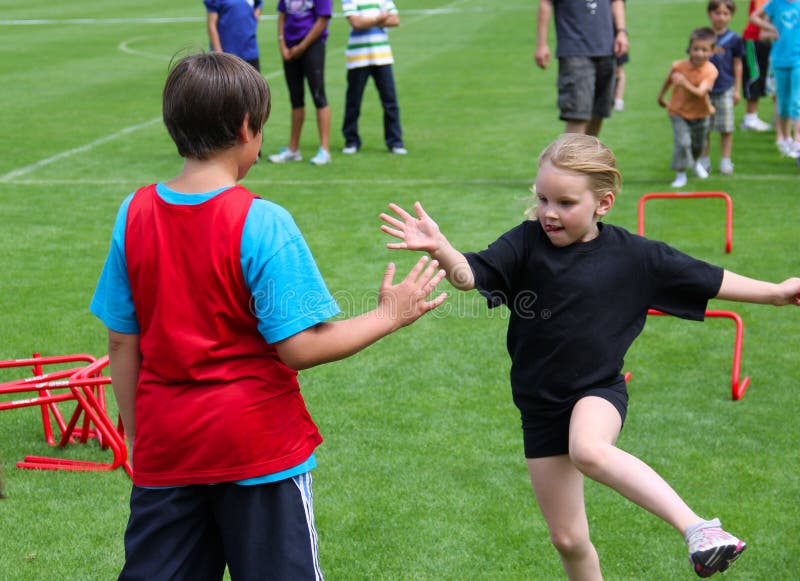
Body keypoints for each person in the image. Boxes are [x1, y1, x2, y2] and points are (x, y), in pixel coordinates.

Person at [90, 51, 447, 579]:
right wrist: (388, 315)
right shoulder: (261, 221)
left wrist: (141, 439)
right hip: (259, 452)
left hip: (169, 449)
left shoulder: (133, 212)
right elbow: (300, 347)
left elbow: (123, 343)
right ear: (245, 129)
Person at [380, 133, 800, 580]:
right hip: (539, 406)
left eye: (565, 202)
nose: (549, 213)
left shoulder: (636, 256)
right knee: (568, 540)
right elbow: (470, 276)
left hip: (597, 391)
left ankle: (699, 529)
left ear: (603, 203)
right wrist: (442, 248)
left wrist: (776, 293)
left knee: (589, 449)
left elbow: (707, 278)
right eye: (542, 199)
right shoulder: (525, 243)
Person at [534, 0, 629, 136]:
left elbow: (617, 1)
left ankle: (587, 157)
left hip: (607, 49)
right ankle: (569, 157)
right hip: (575, 51)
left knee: (598, 114)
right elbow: (545, 3)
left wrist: (621, 31)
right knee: (578, 116)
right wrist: (541, 44)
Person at [268, 0, 333, 165]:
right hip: (290, 47)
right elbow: (282, 15)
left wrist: (302, 47)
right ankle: (293, 149)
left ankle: (324, 149)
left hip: (312, 45)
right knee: (296, 99)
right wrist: (282, 45)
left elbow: (323, 19)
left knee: (319, 96)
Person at [341, 0, 407, 155]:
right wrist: (380, 18)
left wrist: (367, 21)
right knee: (353, 102)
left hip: (382, 56)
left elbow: (395, 20)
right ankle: (351, 140)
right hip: (358, 56)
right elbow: (356, 23)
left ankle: (395, 141)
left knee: (390, 101)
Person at [657, 27, 719, 188]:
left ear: (712, 52)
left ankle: (696, 162)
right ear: (689, 49)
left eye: (704, 50)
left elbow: (700, 93)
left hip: (701, 112)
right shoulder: (679, 66)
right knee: (683, 142)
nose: (699, 53)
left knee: (698, 144)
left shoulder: (711, 71)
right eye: (696, 49)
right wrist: (661, 97)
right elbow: (669, 80)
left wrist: (684, 83)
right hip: (678, 111)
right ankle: (681, 173)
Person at [699, 0, 744, 176]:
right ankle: (704, 159)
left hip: (725, 87)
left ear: (731, 16)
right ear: (710, 14)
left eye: (726, 14)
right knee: (704, 127)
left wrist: (737, 89)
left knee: (726, 126)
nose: (721, 17)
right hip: (704, 89)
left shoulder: (734, 39)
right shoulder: (702, 36)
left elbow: (738, 64)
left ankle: (725, 160)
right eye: (717, 13)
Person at [751, 0, 800, 158]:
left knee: (796, 101)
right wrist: (771, 28)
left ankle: (797, 140)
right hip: (779, 59)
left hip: (797, 59)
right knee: (783, 101)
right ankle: (785, 138)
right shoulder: (775, 4)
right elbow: (754, 17)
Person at [740, 0, 775, 131]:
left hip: (768, 39)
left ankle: (779, 116)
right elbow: (761, 15)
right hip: (754, 39)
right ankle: (750, 118)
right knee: (754, 76)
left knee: (771, 77)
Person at [205, 0, 263, 71]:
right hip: (227, 54)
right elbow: (212, 25)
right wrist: (219, 53)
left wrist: (252, 21)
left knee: (253, 81)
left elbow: (259, 4)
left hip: (250, 51)